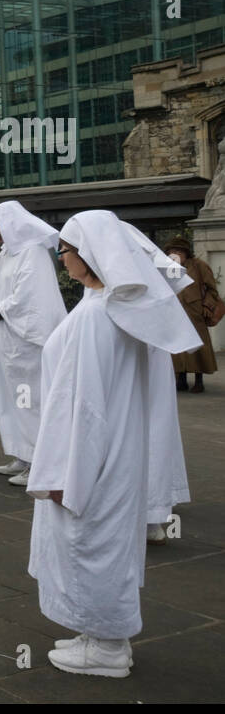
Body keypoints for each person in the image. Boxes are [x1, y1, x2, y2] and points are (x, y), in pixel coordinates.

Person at [28, 211, 201, 677]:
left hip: (89, 461)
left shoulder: (98, 317)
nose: (62, 258)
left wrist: (63, 474)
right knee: (102, 546)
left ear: (89, 256)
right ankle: (98, 633)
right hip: (114, 454)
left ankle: (106, 647)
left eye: (66, 250)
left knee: (90, 545)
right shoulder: (118, 308)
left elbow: (80, 408)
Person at [0, 200, 66, 487]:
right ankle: (21, 455)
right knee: (11, 401)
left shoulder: (32, 253)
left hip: (24, 345)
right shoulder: (5, 254)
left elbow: (30, 297)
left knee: (29, 400)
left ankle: (38, 462)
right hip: (3, 342)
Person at [125, 226, 195, 544]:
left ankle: (153, 511)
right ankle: (156, 505)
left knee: (149, 434)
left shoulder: (133, 285)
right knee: (155, 431)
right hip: (147, 368)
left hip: (141, 370)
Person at [162, 237, 218, 393]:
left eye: (178, 251)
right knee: (179, 347)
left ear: (186, 252)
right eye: (172, 251)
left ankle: (199, 381)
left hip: (195, 313)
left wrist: (207, 305)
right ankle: (181, 380)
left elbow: (211, 289)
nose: (175, 254)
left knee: (198, 346)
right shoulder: (168, 268)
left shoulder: (199, 266)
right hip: (175, 313)